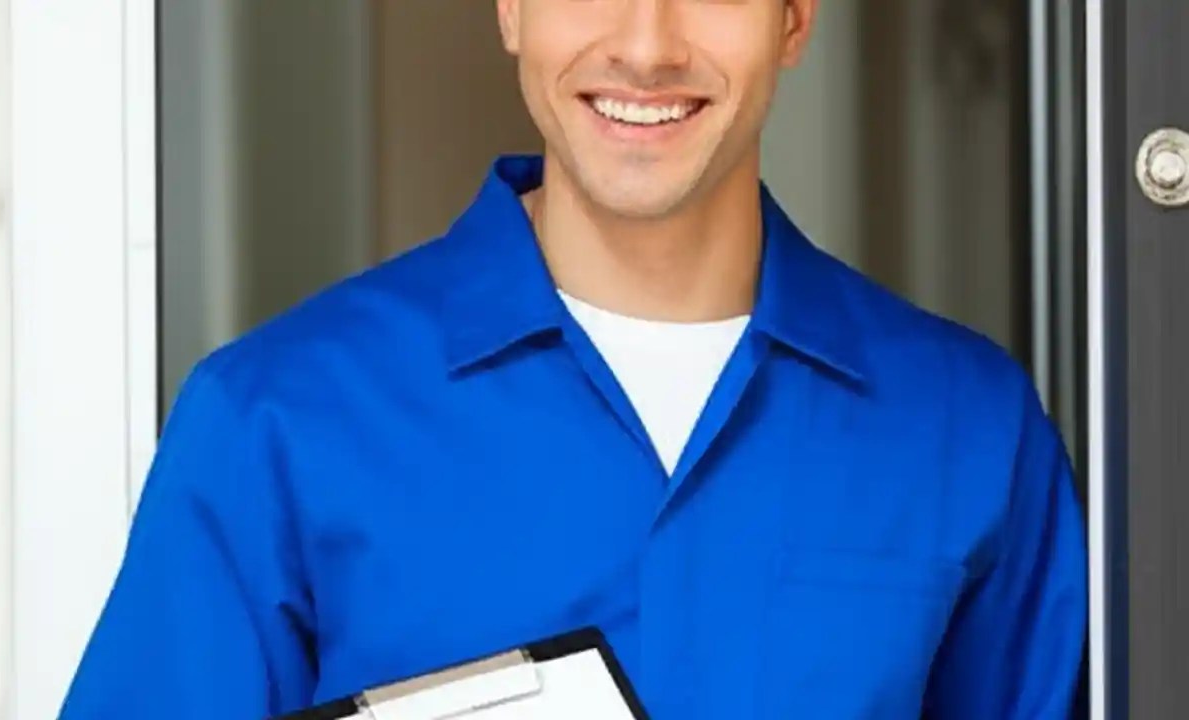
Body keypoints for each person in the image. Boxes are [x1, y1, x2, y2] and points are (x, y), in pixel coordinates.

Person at [60, 1, 1086, 717]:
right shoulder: (272, 423)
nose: (644, 45)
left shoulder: (966, 428)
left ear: (794, 17)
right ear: (510, 7)